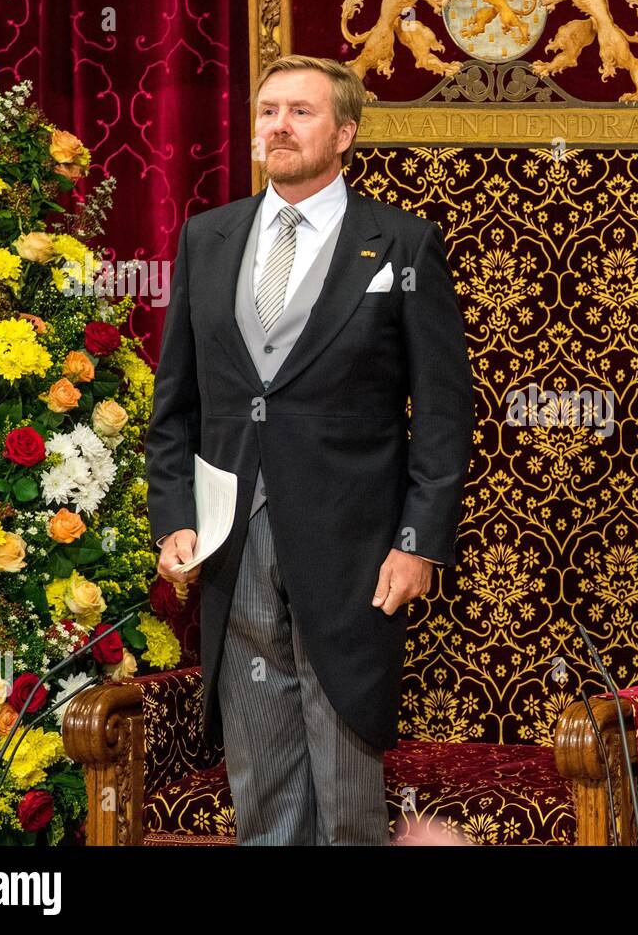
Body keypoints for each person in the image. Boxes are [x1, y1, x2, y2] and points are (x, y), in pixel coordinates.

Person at [145, 54, 475, 845]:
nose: (278, 126)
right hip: (234, 537)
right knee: (261, 769)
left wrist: (419, 542)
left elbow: (442, 413)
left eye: (301, 111)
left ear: (346, 133)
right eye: (267, 111)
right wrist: (174, 519)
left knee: (344, 769)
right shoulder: (208, 237)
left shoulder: (400, 243)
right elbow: (175, 403)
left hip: (355, 546)